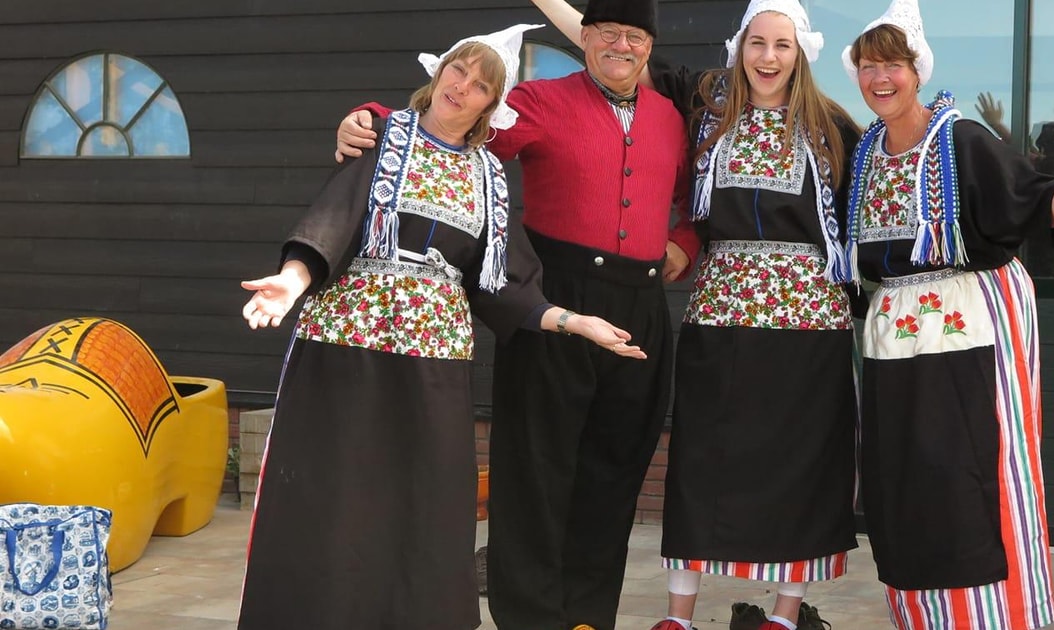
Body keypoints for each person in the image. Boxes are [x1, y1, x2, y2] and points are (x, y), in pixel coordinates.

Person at [236, 24, 650, 630]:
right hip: (348, 344)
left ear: (491, 106)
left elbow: (504, 285)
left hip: (434, 355)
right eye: (459, 70)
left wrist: (575, 321)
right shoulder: (380, 138)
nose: (463, 87)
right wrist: (292, 280)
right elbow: (335, 220)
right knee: (334, 491)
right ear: (438, 73)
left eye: (481, 85)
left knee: (424, 499)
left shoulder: (490, 178)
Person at [334, 2, 696, 628]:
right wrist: (371, 119)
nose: (621, 46)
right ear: (585, 36)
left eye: (635, 36)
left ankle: (587, 617)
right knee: (535, 468)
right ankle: (531, 618)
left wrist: (683, 242)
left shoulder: (670, 116)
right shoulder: (540, 99)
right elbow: (454, 127)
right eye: (608, 32)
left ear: (648, 46)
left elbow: (696, 192)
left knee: (613, 472)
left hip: (641, 307)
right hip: (556, 297)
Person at [529, 0, 858, 628]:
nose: (767, 57)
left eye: (782, 45)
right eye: (757, 42)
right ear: (739, 46)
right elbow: (614, 45)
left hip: (809, 320)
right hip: (720, 310)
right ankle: (679, 615)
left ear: (801, 53)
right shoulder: (706, 103)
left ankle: (785, 615)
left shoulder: (834, 126)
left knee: (802, 461)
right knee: (702, 457)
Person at [839, 0, 1054, 628]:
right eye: (868, 66)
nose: (880, 78)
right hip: (894, 336)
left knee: (972, 468)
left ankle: (995, 616)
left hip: (974, 318)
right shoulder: (865, 153)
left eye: (893, 65)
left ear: (918, 70)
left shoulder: (960, 138)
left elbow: (1030, 201)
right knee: (904, 478)